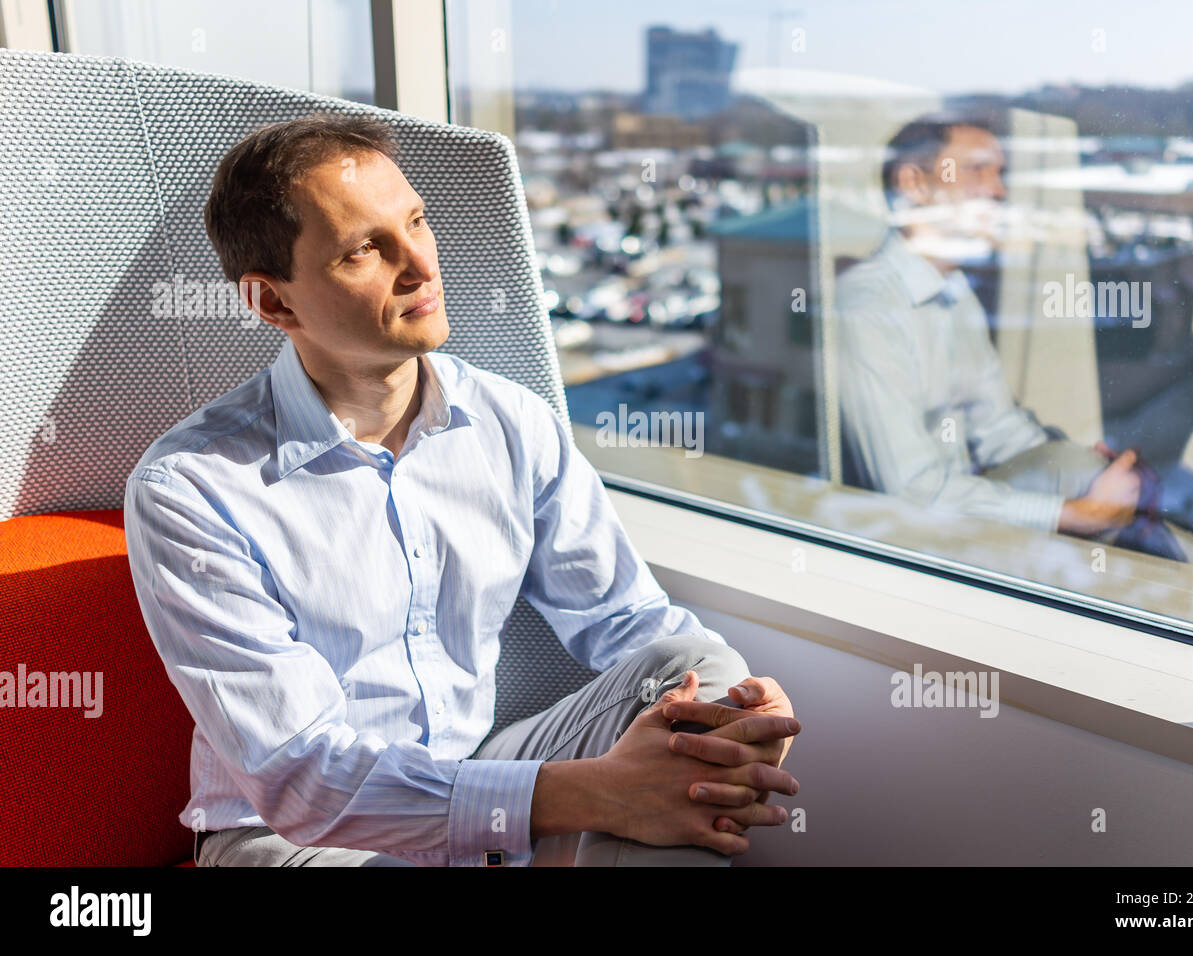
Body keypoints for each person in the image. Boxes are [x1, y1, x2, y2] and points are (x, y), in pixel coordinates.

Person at [123, 113, 800, 867]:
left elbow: (629, 621)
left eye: (415, 221)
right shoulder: (191, 487)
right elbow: (301, 776)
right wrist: (598, 792)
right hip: (288, 841)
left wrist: (736, 710)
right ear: (275, 304)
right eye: (363, 251)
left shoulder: (511, 422)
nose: (418, 264)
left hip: (479, 768)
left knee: (697, 674)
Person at [835, 112, 1193, 565]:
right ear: (915, 185)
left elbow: (998, 429)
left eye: (1000, 173)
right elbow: (910, 490)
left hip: (965, 523)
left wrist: (1077, 467)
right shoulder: (870, 304)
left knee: (1113, 496)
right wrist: (1070, 512)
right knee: (1179, 563)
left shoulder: (955, 296)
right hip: (915, 550)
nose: (998, 190)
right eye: (977, 170)